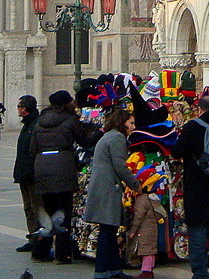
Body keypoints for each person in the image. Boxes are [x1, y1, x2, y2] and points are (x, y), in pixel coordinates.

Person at [29, 90, 97, 264]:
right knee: (64, 212)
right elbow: (85, 142)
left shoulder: (40, 122)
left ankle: (39, 252)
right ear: (66, 103)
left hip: (42, 166)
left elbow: (32, 149)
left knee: (47, 210)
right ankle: (62, 254)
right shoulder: (70, 120)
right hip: (63, 167)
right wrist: (100, 131)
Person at [171, 95, 209, 279]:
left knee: (197, 231)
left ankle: (200, 272)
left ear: (199, 108)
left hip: (197, 187)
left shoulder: (192, 126)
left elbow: (176, 151)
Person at [84, 108, 140, 279]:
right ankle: (102, 270)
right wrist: (135, 184)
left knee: (109, 229)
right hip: (107, 188)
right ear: (122, 123)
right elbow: (120, 166)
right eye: (130, 123)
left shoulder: (109, 135)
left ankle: (114, 269)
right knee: (107, 231)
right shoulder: (117, 138)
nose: (133, 126)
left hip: (104, 186)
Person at [13, 96, 49, 259]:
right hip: (24, 173)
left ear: (25, 108)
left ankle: (40, 240)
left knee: (37, 207)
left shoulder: (35, 125)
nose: (18, 109)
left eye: (19, 106)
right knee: (28, 208)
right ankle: (33, 236)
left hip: (33, 173)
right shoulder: (27, 124)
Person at [128, 174, 167, 279]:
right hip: (152, 228)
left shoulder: (141, 200)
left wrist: (133, 230)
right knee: (151, 250)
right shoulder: (153, 198)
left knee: (146, 250)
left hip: (144, 229)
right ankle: (150, 270)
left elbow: (138, 217)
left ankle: (146, 272)